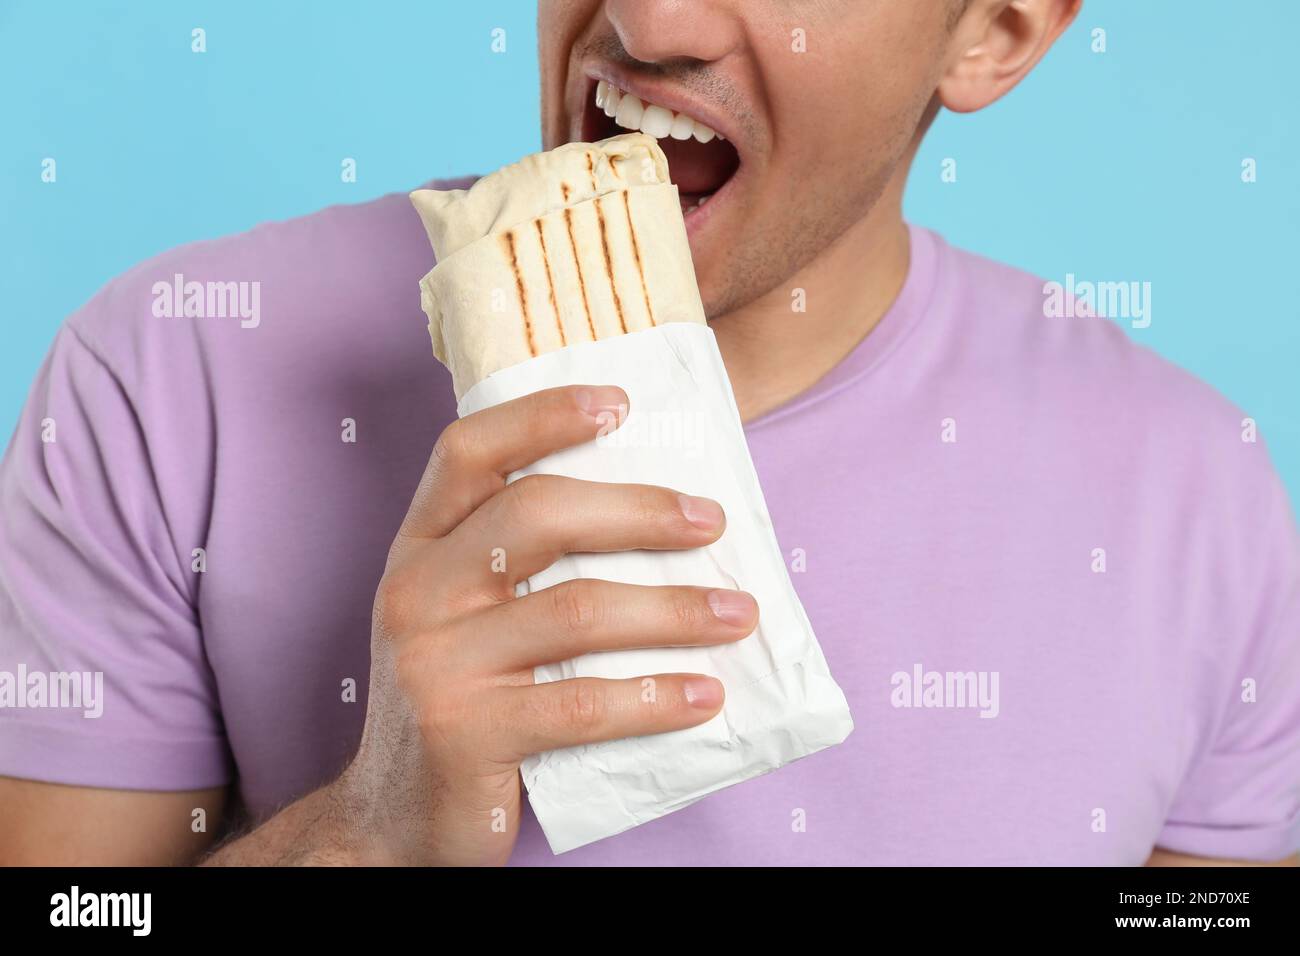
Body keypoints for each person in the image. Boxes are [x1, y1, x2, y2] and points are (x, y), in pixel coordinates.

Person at [1, 0, 1296, 866]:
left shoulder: (1197, 498)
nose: (645, 19)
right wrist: (362, 834)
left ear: (997, 31)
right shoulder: (172, 369)